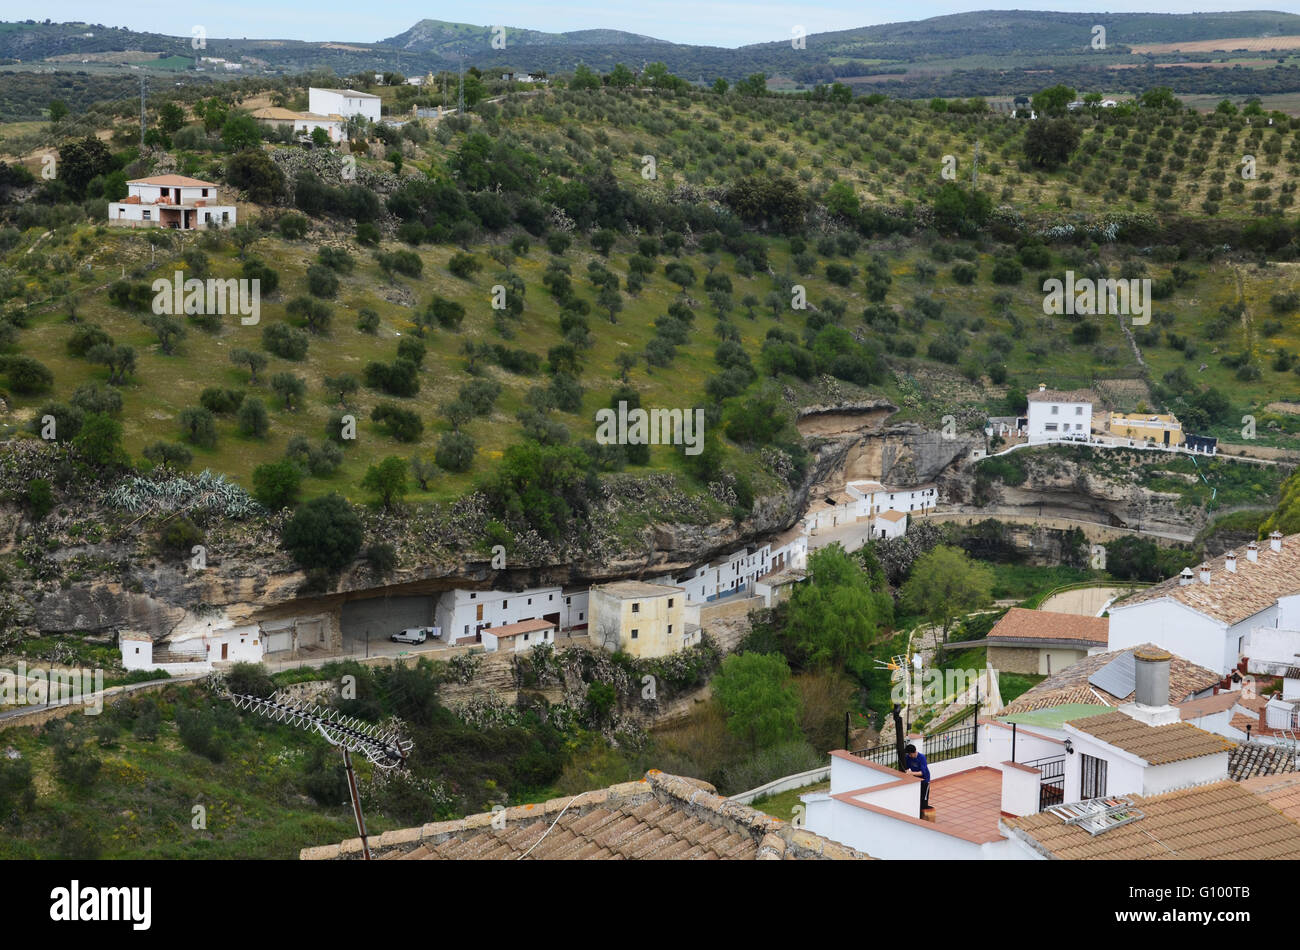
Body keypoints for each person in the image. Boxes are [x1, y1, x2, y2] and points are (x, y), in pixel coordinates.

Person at [905, 743, 931, 814]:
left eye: (910, 754)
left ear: (914, 752)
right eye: (908, 754)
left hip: (925, 780)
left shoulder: (921, 757)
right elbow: (907, 768)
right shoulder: (908, 757)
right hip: (916, 781)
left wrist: (911, 773)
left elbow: (922, 773)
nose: (909, 756)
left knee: (924, 801)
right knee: (916, 798)